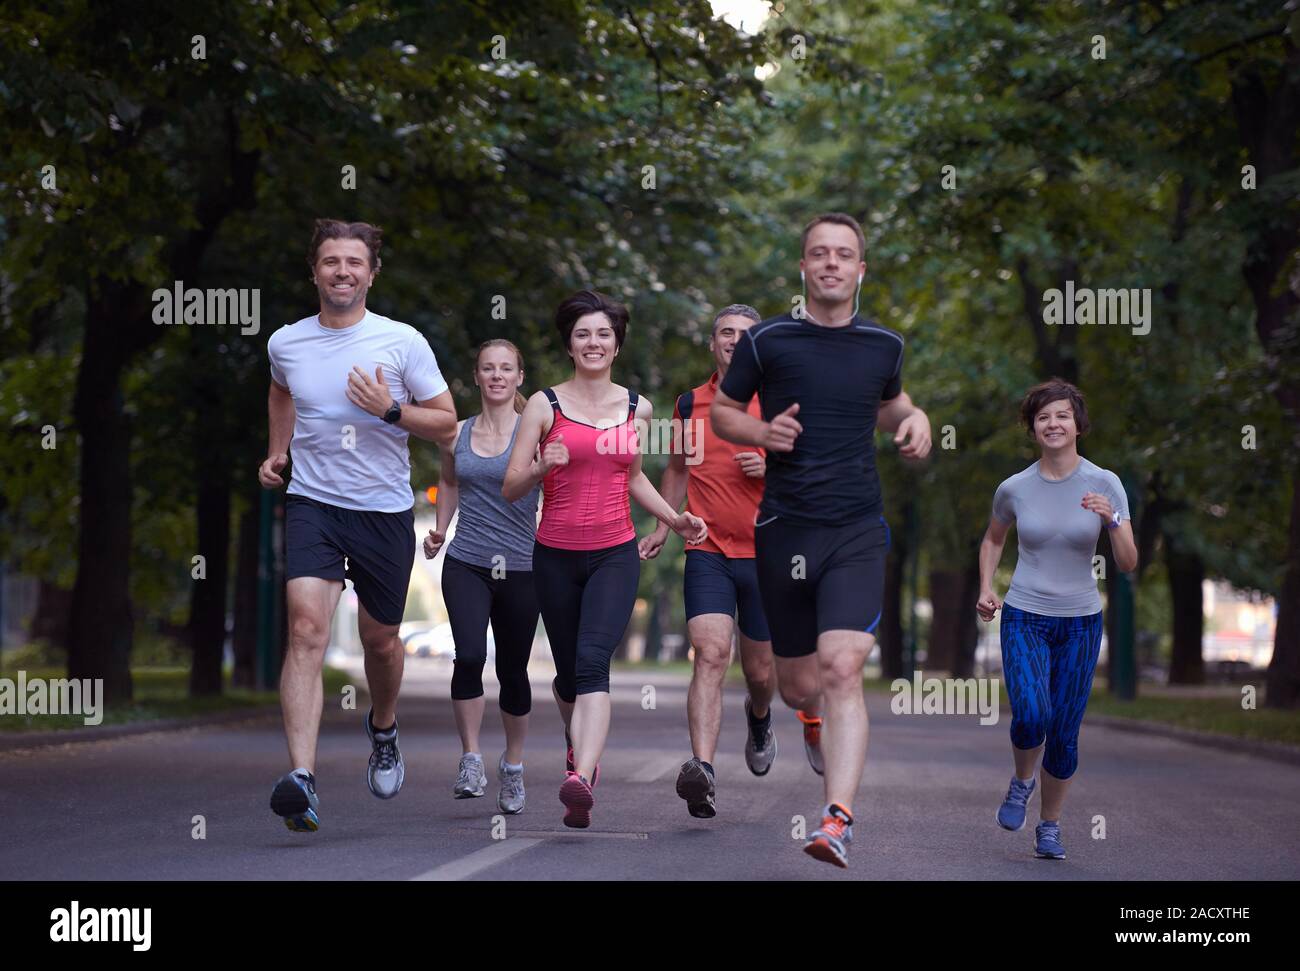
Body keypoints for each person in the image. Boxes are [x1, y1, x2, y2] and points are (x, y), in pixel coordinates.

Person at [711, 212, 933, 867]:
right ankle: (806, 719)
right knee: (797, 684)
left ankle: (836, 818)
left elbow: (891, 402)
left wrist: (914, 418)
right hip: (784, 530)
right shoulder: (768, 341)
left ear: (861, 270)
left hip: (857, 528)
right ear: (804, 268)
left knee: (842, 668)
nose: (832, 263)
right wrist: (761, 433)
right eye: (820, 254)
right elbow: (725, 410)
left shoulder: (884, 345)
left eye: (844, 255)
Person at [261, 219, 458, 832]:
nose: (341, 271)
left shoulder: (402, 342)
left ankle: (384, 726)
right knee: (305, 630)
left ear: (372, 273)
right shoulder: (286, 343)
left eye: (353, 262)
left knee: (380, 641)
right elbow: (280, 393)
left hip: (382, 510)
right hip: (312, 503)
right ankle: (302, 778)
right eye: (330, 261)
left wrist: (392, 410)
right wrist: (277, 451)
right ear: (313, 270)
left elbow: (449, 423)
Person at [503, 289, 707, 829]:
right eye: (582, 334)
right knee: (569, 675)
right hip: (553, 555)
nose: (593, 343)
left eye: (603, 335)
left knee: (594, 662)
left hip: (615, 553)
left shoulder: (638, 408)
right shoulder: (544, 405)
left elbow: (634, 475)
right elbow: (510, 485)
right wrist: (543, 466)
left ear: (616, 346)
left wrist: (673, 518)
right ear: (569, 345)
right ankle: (579, 749)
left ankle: (581, 776)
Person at [977, 378, 1137, 860]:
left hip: (1081, 623)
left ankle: (1049, 826)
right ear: (1033, 428)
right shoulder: (1015, 488)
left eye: (1062, 415)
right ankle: (1021, 782)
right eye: (1043, 416)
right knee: (1031, 714)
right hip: (1025, 614)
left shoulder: (1105, 483)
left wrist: (1111, 520)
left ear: (1077, 425)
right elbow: (992, 539)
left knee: (1065, 732)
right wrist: (987, 587)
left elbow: (1128, 562)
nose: (1053, 423)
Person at [640, 304, 778, 819]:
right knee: (711, 652)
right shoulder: (688, 404)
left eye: (745, 335)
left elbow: (812, 471)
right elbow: (676, 469)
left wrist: (769, 464)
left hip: (768, 553)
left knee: (761, 670)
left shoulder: (781, 399)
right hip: (708, 547)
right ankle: (704, 769)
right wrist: (664, 525)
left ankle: (759, 716)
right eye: (725, 333)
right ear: (712, 343)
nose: (734, 342)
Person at [423, 339, 542, 814]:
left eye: (506, 369)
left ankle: (512, 768)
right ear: (476, 376)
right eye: (488, 368)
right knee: (469, 655)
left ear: (518, 378)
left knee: (512, 669)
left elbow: (551, 492)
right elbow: (450, 482)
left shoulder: (535, 433)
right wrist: (439, 529)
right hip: (467, 560)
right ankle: (471, 757)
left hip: (523, 565)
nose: (496, 376)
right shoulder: (455, 432)